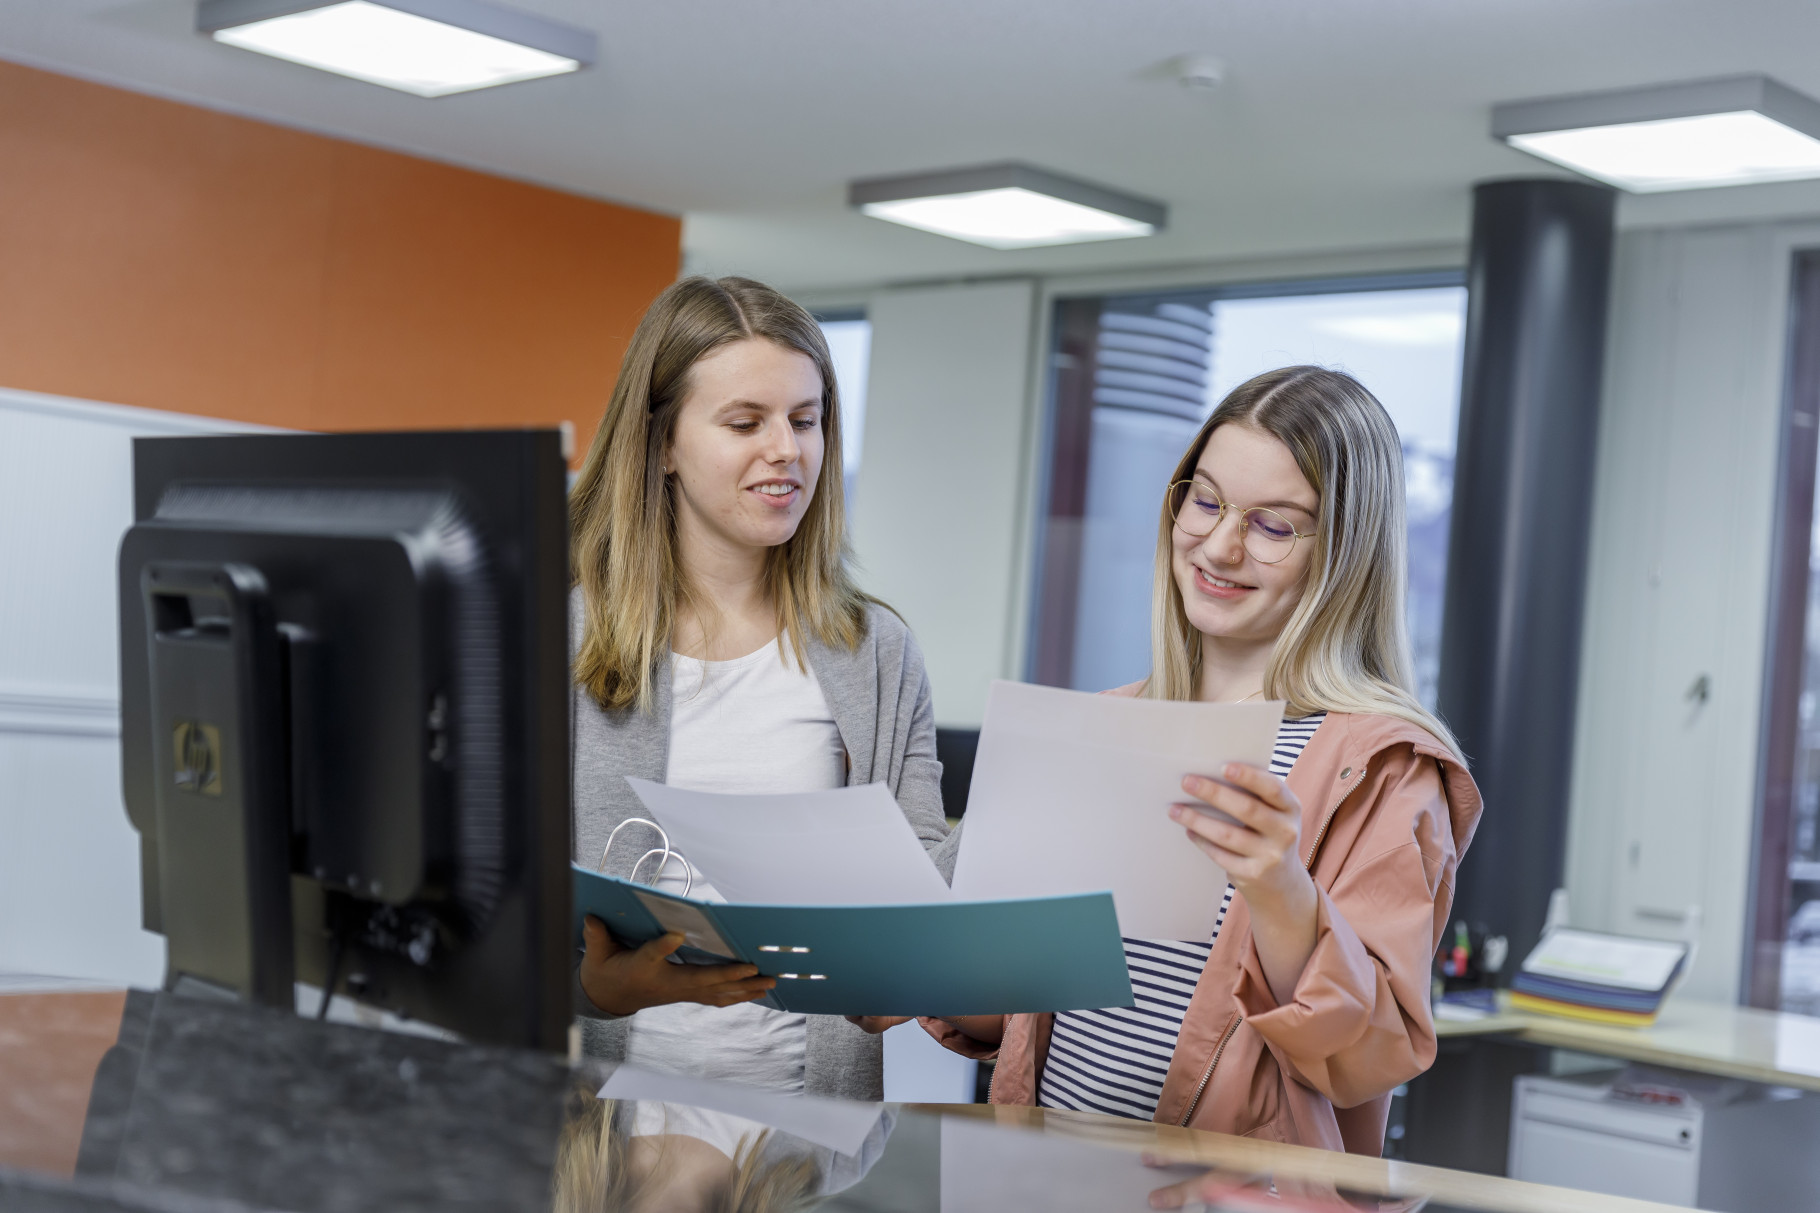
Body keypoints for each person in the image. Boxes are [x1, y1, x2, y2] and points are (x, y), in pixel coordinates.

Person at [915, 366, 1482, 1153]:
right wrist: (922, 966)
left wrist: (1283, 893)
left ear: (1344, 553)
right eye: (1206, 500)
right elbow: (1012, 1017)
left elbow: (1370, 1057)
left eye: (1273, 525)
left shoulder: (1381, 766)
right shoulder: (1106, 725)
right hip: (1040, 1178)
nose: (1218, 545)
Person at [568, 275, 955, 1101]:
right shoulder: (563, 639)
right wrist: (597, 991)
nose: (787, 448)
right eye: (745, 422)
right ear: (662, 443)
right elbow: (497, 922)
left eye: (806, 420)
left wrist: (915, 964)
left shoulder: (875, 650)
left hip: (806, 1138)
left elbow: (917, 876)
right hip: (606, 1124)